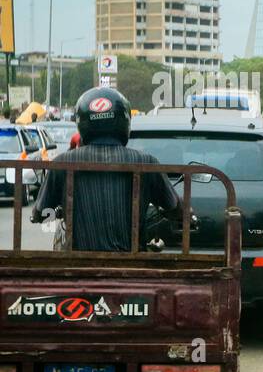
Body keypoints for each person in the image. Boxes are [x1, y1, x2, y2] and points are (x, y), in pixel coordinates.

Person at [33, 87, 181, 252]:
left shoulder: (62, 162)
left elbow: (41, 211)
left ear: (81, 123)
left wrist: (43, 213)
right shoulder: (147, 162)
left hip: (77, 265)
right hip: (131, 266)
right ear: (124, 120)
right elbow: (174, 207)